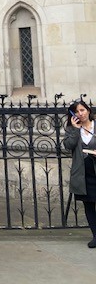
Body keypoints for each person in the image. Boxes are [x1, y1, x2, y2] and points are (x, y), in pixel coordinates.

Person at [63, 99, 96, 248]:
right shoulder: (72, 129)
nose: (80, 114)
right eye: (76, 111)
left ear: (88, 110)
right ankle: (95, 236)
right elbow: (68, 145)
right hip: (83, 174)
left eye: (82, 110)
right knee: (89, 205)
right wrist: (76, 129)